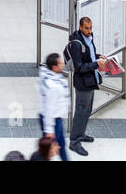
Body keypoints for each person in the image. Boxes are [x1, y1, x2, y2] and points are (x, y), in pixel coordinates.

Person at [64, 15, 103, 156]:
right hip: (82, 83)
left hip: (91, 80)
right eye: (86, 28)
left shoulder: (89, 38)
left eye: (90, 28)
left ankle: (81, 134)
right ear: (80, 27)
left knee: (87, 110)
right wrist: (96, 64)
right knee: (80, 112)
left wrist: (99, 57)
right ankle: (74, 141)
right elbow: (79, 66)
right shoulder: (76, 44)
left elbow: (90, 55)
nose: (89, 30)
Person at [36, 51, 71, 161]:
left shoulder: (49, 77)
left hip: (54, 119)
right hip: (52, 121)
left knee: (58, 147)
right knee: (53, 149)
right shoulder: (53, 87)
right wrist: (49, 130)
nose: (63, 64)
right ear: (54, 67)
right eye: (60, 63)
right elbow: (49, 109)